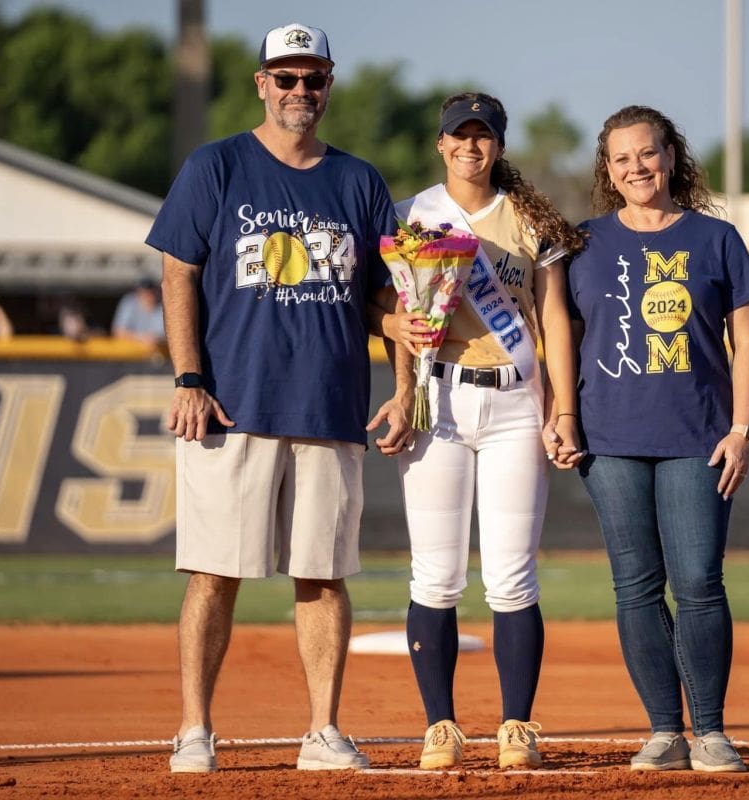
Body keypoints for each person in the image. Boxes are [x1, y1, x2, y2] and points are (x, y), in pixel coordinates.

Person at [144, 22, 405, 775]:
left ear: (329, 84)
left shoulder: (359, 181)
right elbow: (178, 274)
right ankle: (195, 729)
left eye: (313, 78)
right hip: (235, 405)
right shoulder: (216, 165)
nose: (300, 91)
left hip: (328, 407)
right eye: (285, 78)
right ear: (260, 83)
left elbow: (382, 299)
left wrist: (404, 363)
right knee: (214, 572)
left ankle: (323, 730)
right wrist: (189, 378)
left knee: (323, 574)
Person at [375, 92, 585, 771]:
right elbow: (390, 310)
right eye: (459, 135)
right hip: (440, 398)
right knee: (434, 576)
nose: (471, 146)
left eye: (483, 135)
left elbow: (554, 317)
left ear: (498, 144)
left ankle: (516, 725)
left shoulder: (530, 217)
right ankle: (441, 724)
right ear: (441, 144)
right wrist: (402, 390)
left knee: (512, 578)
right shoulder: (412, 215)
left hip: (516, 403)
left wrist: (561, 408)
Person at [565, 105, 749, 773]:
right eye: (622, 158)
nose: (636, 167)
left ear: (671, 156)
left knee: (700, 582)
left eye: (647, 153)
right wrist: (559, 415)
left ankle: (709, 730)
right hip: (609, 438)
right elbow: (557, 337)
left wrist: (741, 429)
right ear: (608, 170)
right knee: (635, 589)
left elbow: (748, 344)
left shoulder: (716, 239)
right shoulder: (581, 242)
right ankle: (663, 731)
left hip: (698, 439)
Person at [111, 277, 165, 345]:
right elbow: (118, 332)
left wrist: (155, 339)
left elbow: (168, 335)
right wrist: (141, 338)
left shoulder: (163, 305)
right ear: (137, 292)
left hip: (159, 351)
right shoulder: (129, 302)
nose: (147, 295)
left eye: (150, 292)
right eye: (143, 292)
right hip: (131, 350)